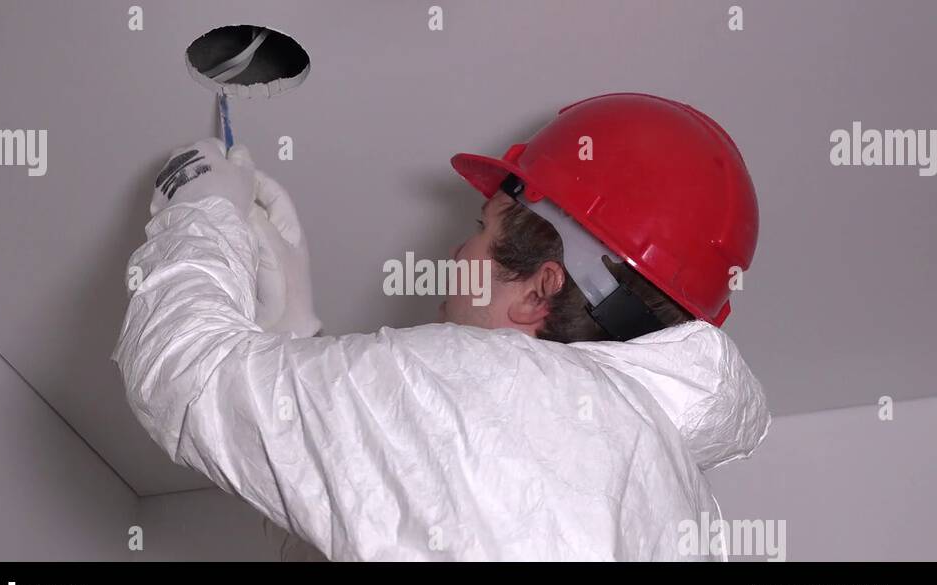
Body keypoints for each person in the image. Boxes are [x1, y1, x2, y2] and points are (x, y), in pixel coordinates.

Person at [113, 93, 770, 561]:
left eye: (479, 231)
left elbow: (186, 377)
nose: (456, 256)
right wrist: (292, 334)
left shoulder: (494, 386)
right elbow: (391, 519)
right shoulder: (677, 501)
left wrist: (198, 212)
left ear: (540, 291)